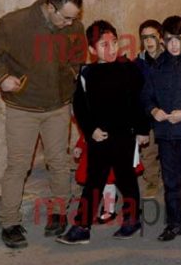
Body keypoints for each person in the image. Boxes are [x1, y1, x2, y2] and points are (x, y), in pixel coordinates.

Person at [0, 0, 85, 248]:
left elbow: (78, 58)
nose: (70, 23)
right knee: (18, 166)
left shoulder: (73, 27)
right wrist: (1, 78)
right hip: (23, 109)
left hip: (57, 107)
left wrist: (71, 76)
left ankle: (58, 212)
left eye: (74, 18)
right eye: (65, 17)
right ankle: (10, 222)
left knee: (59, 162)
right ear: (50, 7)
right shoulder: (15, 23)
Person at [57, 21, 148, 245]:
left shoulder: (129, 69)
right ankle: (81, 227)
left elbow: (139, 102)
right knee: (93, 182)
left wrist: (142, 130)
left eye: (114, 43)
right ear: (91, 50)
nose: (111, 49)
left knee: (126, 179)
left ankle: (132, 219)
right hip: (99, 139)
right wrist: (90, 132)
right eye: (104, 44)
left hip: (124, 136)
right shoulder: (87, 74)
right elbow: (80, 107)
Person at [141, 15, 181, 242]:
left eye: (178, 39)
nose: (174, 45)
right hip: (165, 133)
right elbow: (146, 96)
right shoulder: (157, 68)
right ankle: (175, 223)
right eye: (169, 40)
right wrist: (153, 110)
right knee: (170, 180)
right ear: (163, 42)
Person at [134, 19, 164, 197]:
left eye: (152, 36)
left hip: (167, 113)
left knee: (169, 150)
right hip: (148, 115)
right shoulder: (137, 64)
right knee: (149, 151)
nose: (148, 41)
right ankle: (152, 179)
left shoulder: (169, 58)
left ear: (160, 38)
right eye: (144, 38)